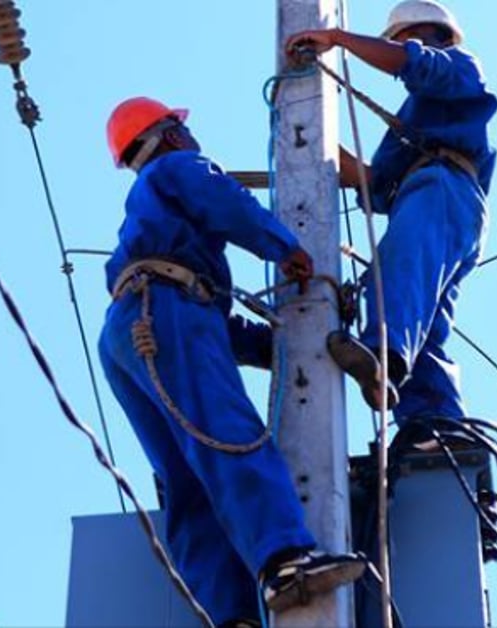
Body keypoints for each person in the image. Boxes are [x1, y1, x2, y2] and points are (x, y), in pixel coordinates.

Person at [98, 96, 364, 626]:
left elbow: (212, 328)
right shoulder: (177, 167)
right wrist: (282, 245)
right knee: (228, 432)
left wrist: (276, 347)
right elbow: (221, 197)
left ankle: (232, 615)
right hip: (164, 311)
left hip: (131, 332)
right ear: (169, 134)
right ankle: (286, 561)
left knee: (186, 481)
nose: (191, 138)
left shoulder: (153, 215)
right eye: (182, 128)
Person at [287, 0, 497, 425]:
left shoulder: (460, 68)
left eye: (400, 38)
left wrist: (338, 39)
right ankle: (431, 426)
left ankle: (384, 354)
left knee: (398, 270)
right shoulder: (413, 124)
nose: (397, 47)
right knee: (426, 327)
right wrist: (310, 138)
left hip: (443, 188)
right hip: (433, 198)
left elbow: (415, 64)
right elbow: (373, 182)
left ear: (428, 33)